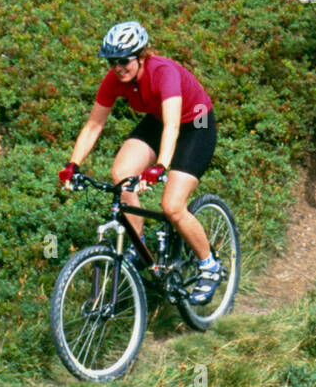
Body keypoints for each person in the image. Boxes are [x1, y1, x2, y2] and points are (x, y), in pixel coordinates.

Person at [58, 21, 223, 304]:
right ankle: (138, 245)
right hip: (158, 122)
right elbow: (94, 125)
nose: (118, 68)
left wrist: (159, 167)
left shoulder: (163, 72)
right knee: (121, 174)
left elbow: (173, 126)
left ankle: (209, 266)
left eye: (124, 61)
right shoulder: (114, 80)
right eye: (112, 62)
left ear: (141, 55)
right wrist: (73, 164)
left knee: (172, 206)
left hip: (195, 124)